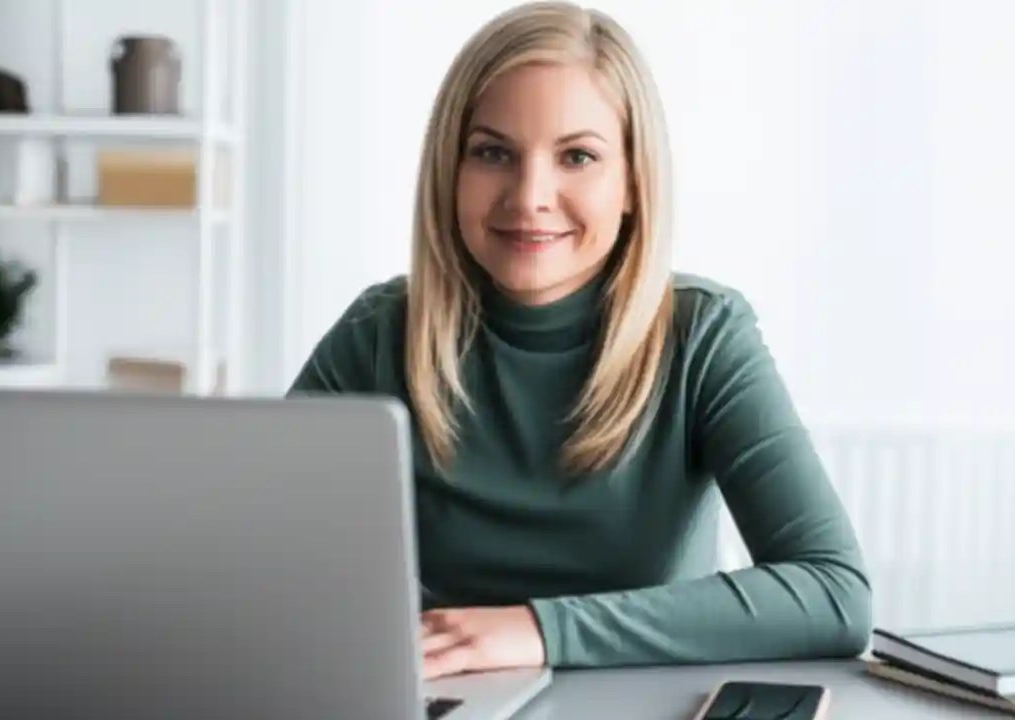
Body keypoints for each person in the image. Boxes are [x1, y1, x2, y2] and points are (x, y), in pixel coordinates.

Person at [288, 0, 872, 680]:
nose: (530, 194)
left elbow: (834, 593)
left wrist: (540, 628)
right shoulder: (379, 333)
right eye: (492, 152)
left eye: (577, 156)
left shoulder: (703, 335)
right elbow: (256, 550)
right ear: (449, 170)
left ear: (631, 183)